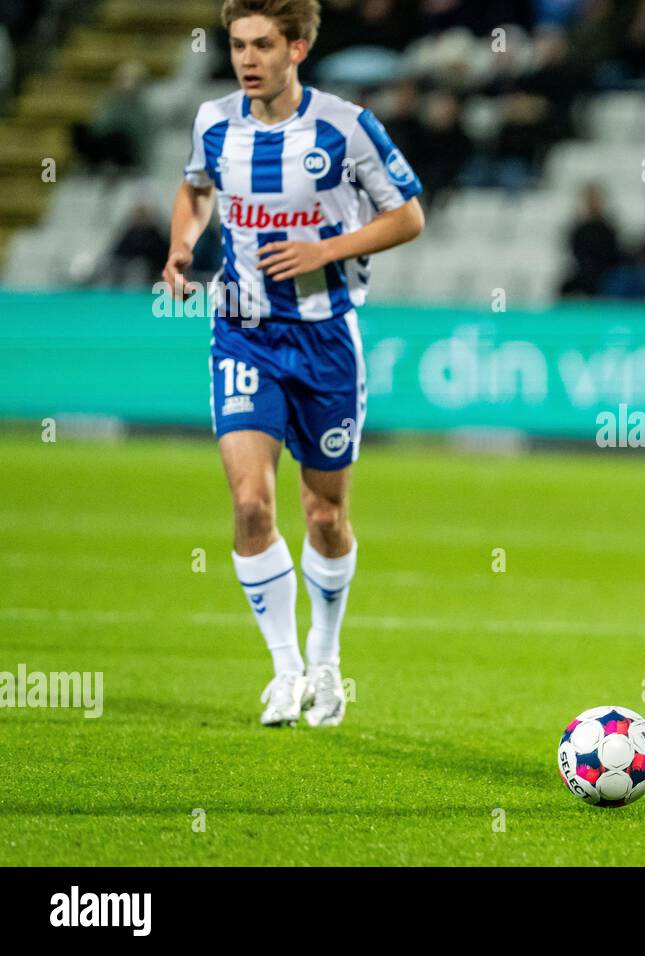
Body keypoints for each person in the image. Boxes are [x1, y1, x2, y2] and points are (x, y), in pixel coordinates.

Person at [162, 0, 424, 727]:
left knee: (325, 513)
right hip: (242, 331)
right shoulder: (214, 121)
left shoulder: (345, 126)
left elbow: (407, 214)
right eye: (238, 45)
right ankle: (283, 670)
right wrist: (183, 244)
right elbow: (194, 187)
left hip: (326, 338)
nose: (247, 59)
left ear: (298, 47)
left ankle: (327, 656)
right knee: (250, 503)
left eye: (263, 45)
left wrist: (326, 251)